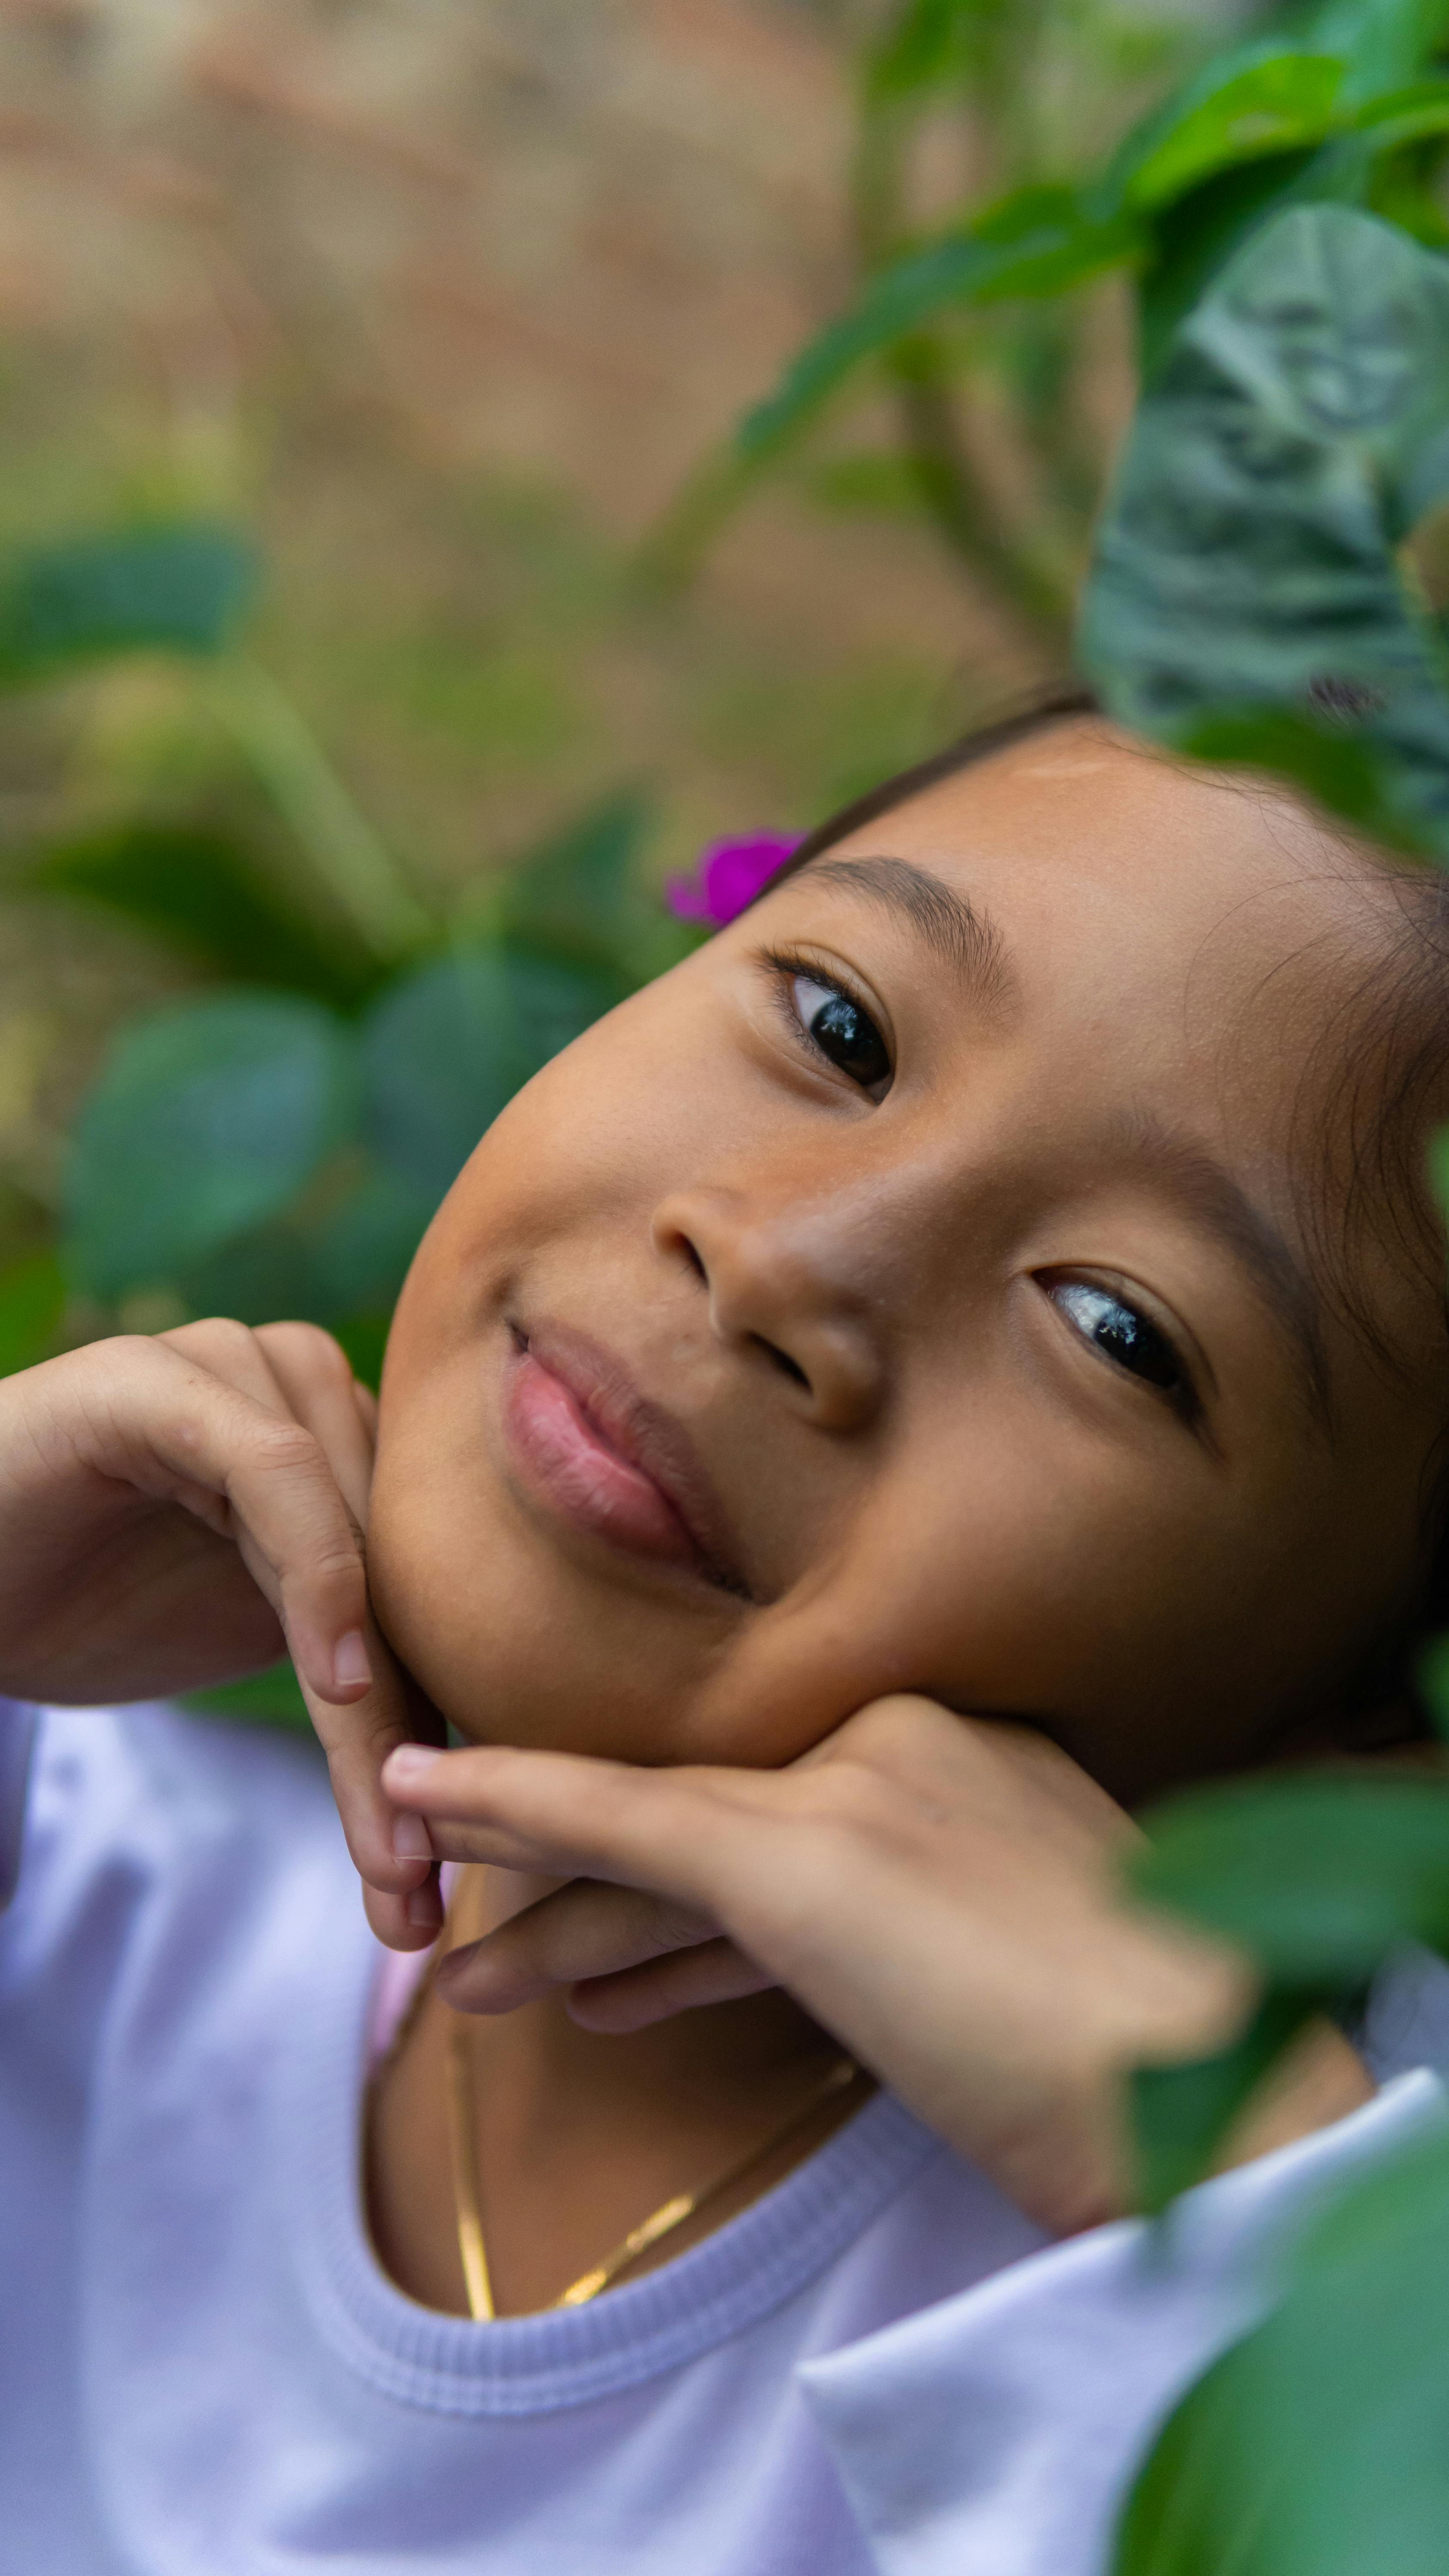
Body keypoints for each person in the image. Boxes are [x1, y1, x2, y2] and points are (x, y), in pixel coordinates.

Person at [3, 699, 1449, 2575]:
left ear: (1352, 1748)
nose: (782, 1260)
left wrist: (1221, 2165)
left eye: (1117, 1329)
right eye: (839, 1028)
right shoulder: (93, 1832)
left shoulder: (1200, 2330)